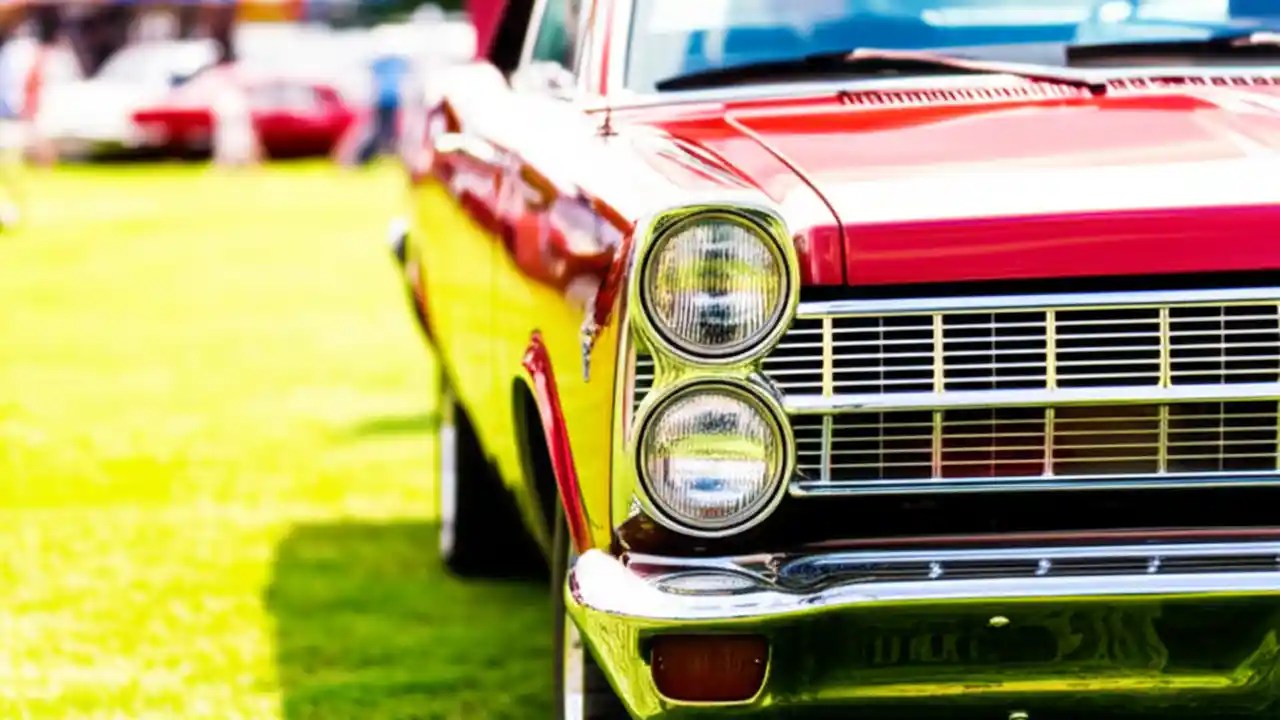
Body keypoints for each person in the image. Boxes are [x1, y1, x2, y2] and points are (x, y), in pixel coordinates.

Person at [357, 52, 408, 164]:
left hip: (391, 103)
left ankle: (383, 157)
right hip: (383, 103)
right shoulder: (388, 61)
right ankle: (364, 158)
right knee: (381, 133)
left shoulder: (391, 61)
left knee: (389, 133)